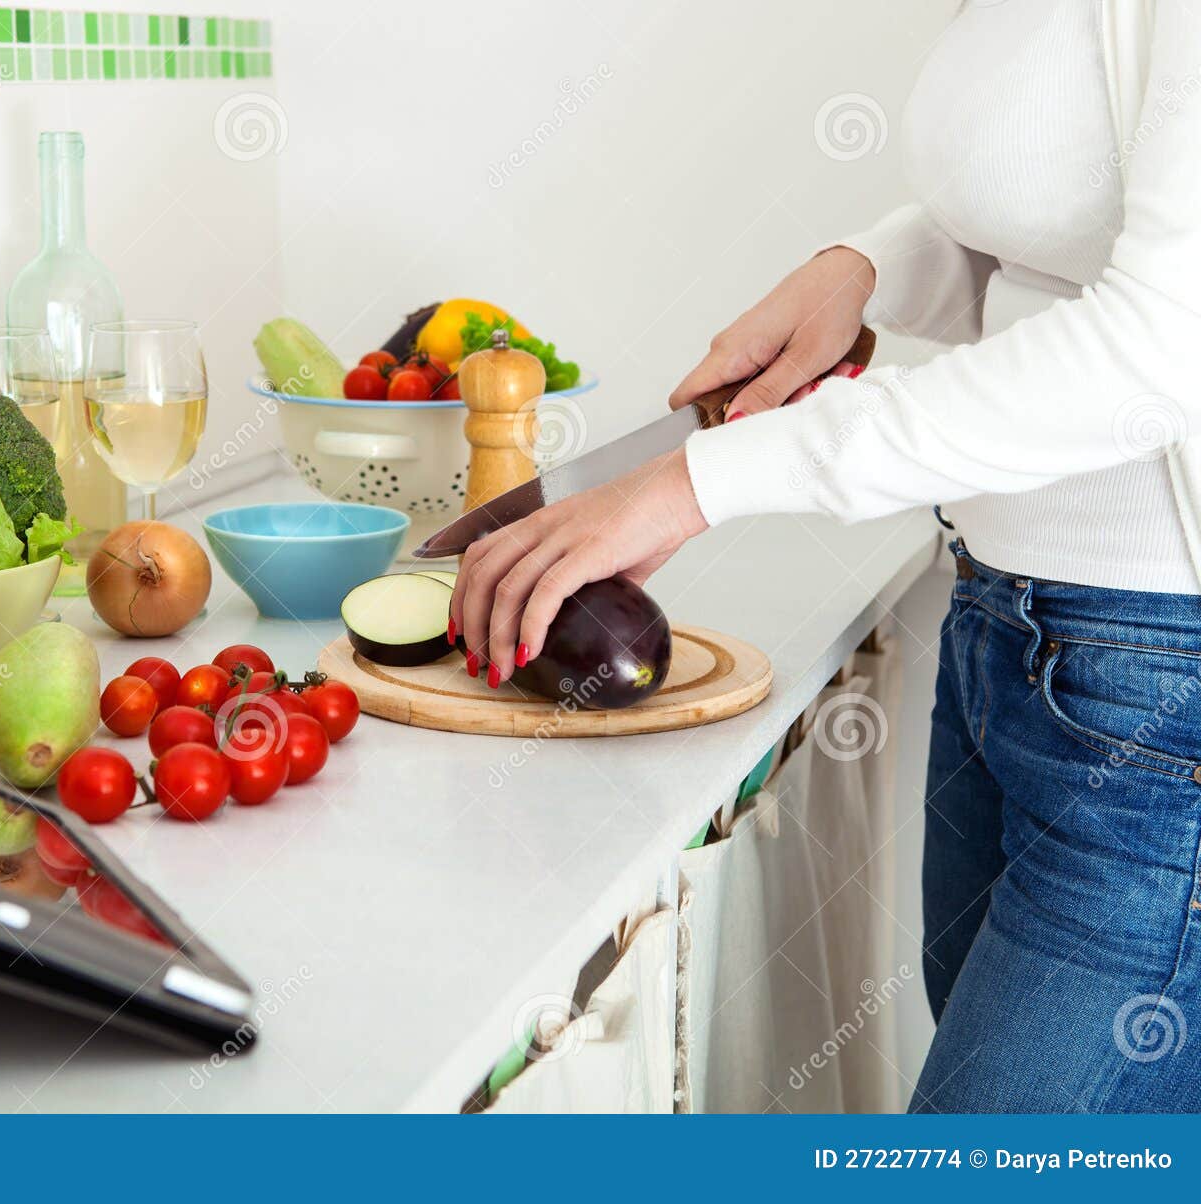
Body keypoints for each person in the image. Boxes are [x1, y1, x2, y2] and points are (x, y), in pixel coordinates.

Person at [450, 0, 1201, 1112]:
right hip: (1005, 638)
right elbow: (1063, 198)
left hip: (1157, 709)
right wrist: (866, 268)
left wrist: (693, 482)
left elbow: (1159, 346)